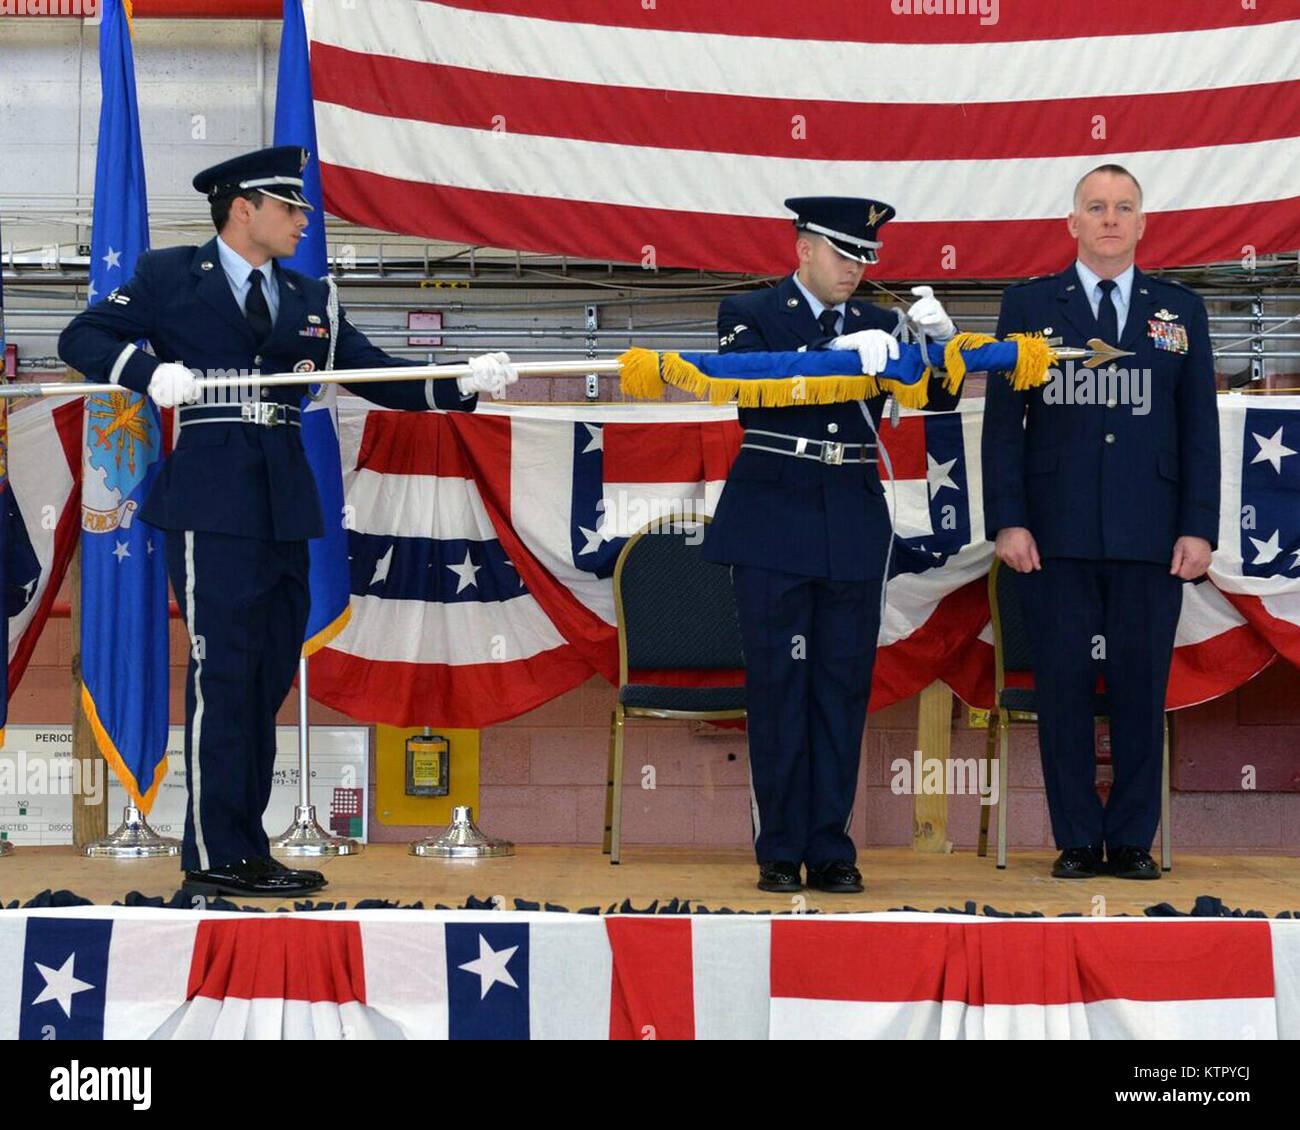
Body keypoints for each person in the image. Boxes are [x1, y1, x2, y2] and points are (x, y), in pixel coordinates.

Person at [59, 146, 518, 897]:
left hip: (284, 502)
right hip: (212, 501)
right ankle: (212, 854)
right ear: (245, 208)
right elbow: (81, 338)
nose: (304, 220)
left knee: (266, 676)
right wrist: (148, 374)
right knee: (224, 675)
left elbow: (378, 374)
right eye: (291, 207)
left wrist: (460, 382)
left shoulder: (311, 297)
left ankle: (247, 846)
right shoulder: (171, 276)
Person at [705, 196, 961, 893]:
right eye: (844, 253)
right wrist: (828, 354)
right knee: (779, 686)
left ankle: (830, 844)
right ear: (804, 248)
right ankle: (781, 848)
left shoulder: (880, 322)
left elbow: (937, 398)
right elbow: (749, 388)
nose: (856, 269)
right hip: (772, 511)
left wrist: (941, 341)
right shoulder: (749, 313)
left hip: (850, 512)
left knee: (840, 689)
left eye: (865, 258)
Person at [981, 164, 1219, 881]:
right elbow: (1002, 427)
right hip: (1053, 534)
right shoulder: (1029, 305)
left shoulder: (1180, 310)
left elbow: (1198, 426)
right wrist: (1009, 520)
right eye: (1096, 207)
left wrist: (1199, 525)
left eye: (1123, 208)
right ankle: (1079, 839)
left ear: (1143, 224)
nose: (1110, 219)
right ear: (1073, 223)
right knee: (1063, 690)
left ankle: (1132, 840)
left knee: (1142, 688)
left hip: (1152, 533)